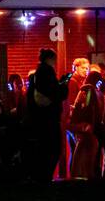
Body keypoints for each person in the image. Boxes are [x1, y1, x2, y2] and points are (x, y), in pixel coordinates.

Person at [23, 48, 71, 183]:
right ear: (50, 59)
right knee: (52, 151)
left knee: (43, 152)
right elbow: (56, 93)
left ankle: (40, 178)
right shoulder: (47, 72)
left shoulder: (36, 75)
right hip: (47, 121)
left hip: (37, 120)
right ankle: (44, 180)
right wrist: (64, 85)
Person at [68, 69, 103, 179]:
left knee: (79, 159)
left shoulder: (87, 88)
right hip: (94, 129)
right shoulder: (97, 91)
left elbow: (86, 106)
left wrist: (76, 106)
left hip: (86, 129)